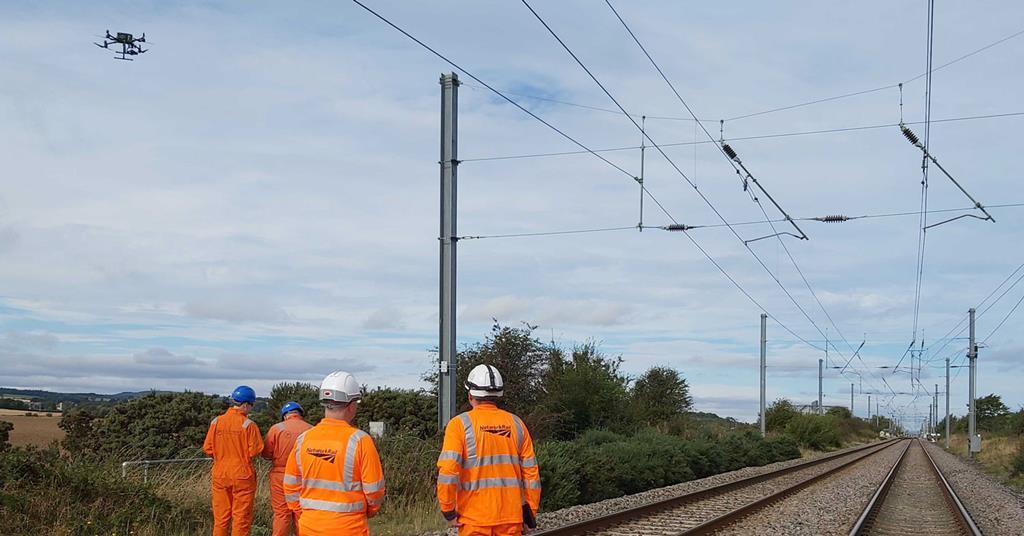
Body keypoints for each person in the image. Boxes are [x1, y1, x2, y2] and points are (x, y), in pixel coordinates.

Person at [436, 364, 541, 536]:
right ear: (498, 395)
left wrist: (448, 510)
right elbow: (531, 474)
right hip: (511, 519)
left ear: (470, 395)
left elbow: (448, 471)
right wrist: (530, 513)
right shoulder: (517, 424)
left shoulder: (459, 425)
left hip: (474, 520)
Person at [283, 371, 385, 536]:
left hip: (309, 527)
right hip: (349, 528)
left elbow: (290, 487)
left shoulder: (304, 440)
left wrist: (305, 514)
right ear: (351, 406)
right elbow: (374, 492)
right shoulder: (361, 441)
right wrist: (366, 512)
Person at [203, 385, 265, 536]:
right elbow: (255, 450)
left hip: (220, 474)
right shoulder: (249, 425)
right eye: (251, 405)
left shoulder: (216, 422)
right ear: (245, 404)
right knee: (241, 518)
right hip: (242, 475)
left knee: (221, 518)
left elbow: (208, 448)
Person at [263, 401, 313, 536]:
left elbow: (266, 454)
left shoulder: (276, 428)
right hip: (305, 476)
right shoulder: (312, 430)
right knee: (302, 512)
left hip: (280, 475)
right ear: (300, 414)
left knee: (281, 514)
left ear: (285, 415)